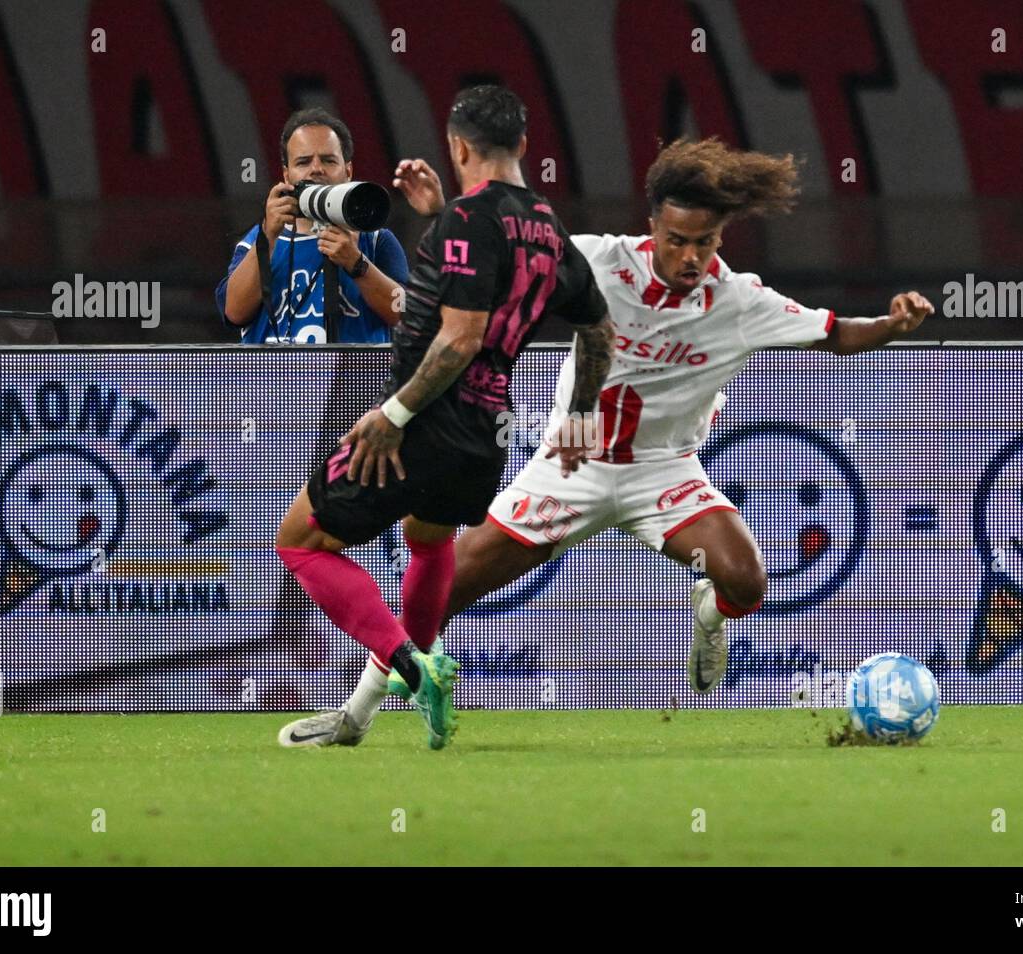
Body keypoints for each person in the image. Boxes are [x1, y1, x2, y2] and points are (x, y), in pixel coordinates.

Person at [324, 138, 935, 744]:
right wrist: (440, 211)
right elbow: (499, 253)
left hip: (662, 473)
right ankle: (355, 717)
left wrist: (892, 323)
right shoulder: (598, 261)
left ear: (721, 239)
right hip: (570, 472)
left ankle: (709, 616)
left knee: (744, 579)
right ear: (653, 228)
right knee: (442, 594)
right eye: (677, 240)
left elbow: (838, 335)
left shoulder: (741, 301)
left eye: (705, 242)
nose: (690, 255)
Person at [273, 86, 615, 750]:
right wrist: (579, 418)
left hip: (424, 426)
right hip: (486, 438)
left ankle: (411, 664)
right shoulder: (547, 227)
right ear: (522, 146)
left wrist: (393, 415)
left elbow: (458, 337)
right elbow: (598, 331)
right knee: (428, 543)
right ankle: (392, 710)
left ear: (457, 146)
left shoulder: (467, 221)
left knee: (299, 542)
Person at [216, 107, 408, 342]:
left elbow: (407, 315)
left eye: (328, 160)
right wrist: (267, 238)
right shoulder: (260, 239)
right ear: (287, 175)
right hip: (275, 379)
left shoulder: (375, 239)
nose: (316, 169)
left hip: (355, 379)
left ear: (348, 171)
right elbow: (234, 313)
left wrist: (357, 264)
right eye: (303, 162)